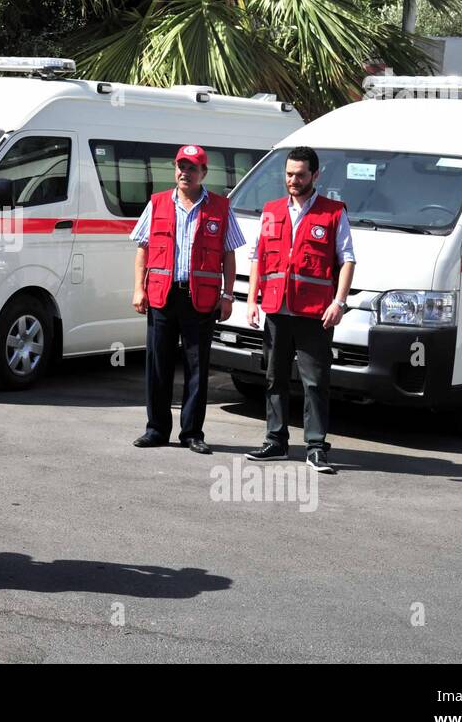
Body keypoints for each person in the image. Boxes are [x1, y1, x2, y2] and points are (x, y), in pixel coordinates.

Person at [244, 146, 355, 474]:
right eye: (289, 174)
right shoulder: (271, 210)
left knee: (315, 381)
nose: (293, 180)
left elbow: (347, 259)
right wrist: (252, 300)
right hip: (277, 309)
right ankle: (275, 441)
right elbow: (258, 258)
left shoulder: (333, 213)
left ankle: (317, 447)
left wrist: (339, 302)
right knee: (274, 378)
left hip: (314, 313)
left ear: (315, 176)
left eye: (301, 175)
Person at [130, 144, 244, 452]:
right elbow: (143, 248)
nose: (185, 172)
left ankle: (192, 433)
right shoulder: (157, 204)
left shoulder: (220, 207)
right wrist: (138, 289)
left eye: (192, 167)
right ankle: (156, 429)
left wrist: (228, 295)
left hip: (201, 299)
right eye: (181, 166)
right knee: (158, 365)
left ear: (204, 173)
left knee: (197, 367)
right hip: (162, 296)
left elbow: (228, 254)